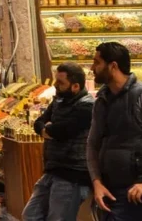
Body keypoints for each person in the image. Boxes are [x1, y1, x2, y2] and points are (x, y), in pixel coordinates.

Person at [87, 42, 142, 221]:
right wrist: (96, 181)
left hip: (136, 194)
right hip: (108, 190)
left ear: (113, 66)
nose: (92, 68)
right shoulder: (102, 101)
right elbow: (92, 144)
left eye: (97, 62)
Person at [22, 62, 94, 221]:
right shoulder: (58, 101)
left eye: (60, 82)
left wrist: (49, 128)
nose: (55, 85)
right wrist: (46, 129)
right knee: (30, 214)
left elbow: (62, 131)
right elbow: (39, 122)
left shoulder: (86, 107)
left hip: (72, 175)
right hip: (53, 170)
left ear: (75, 86)